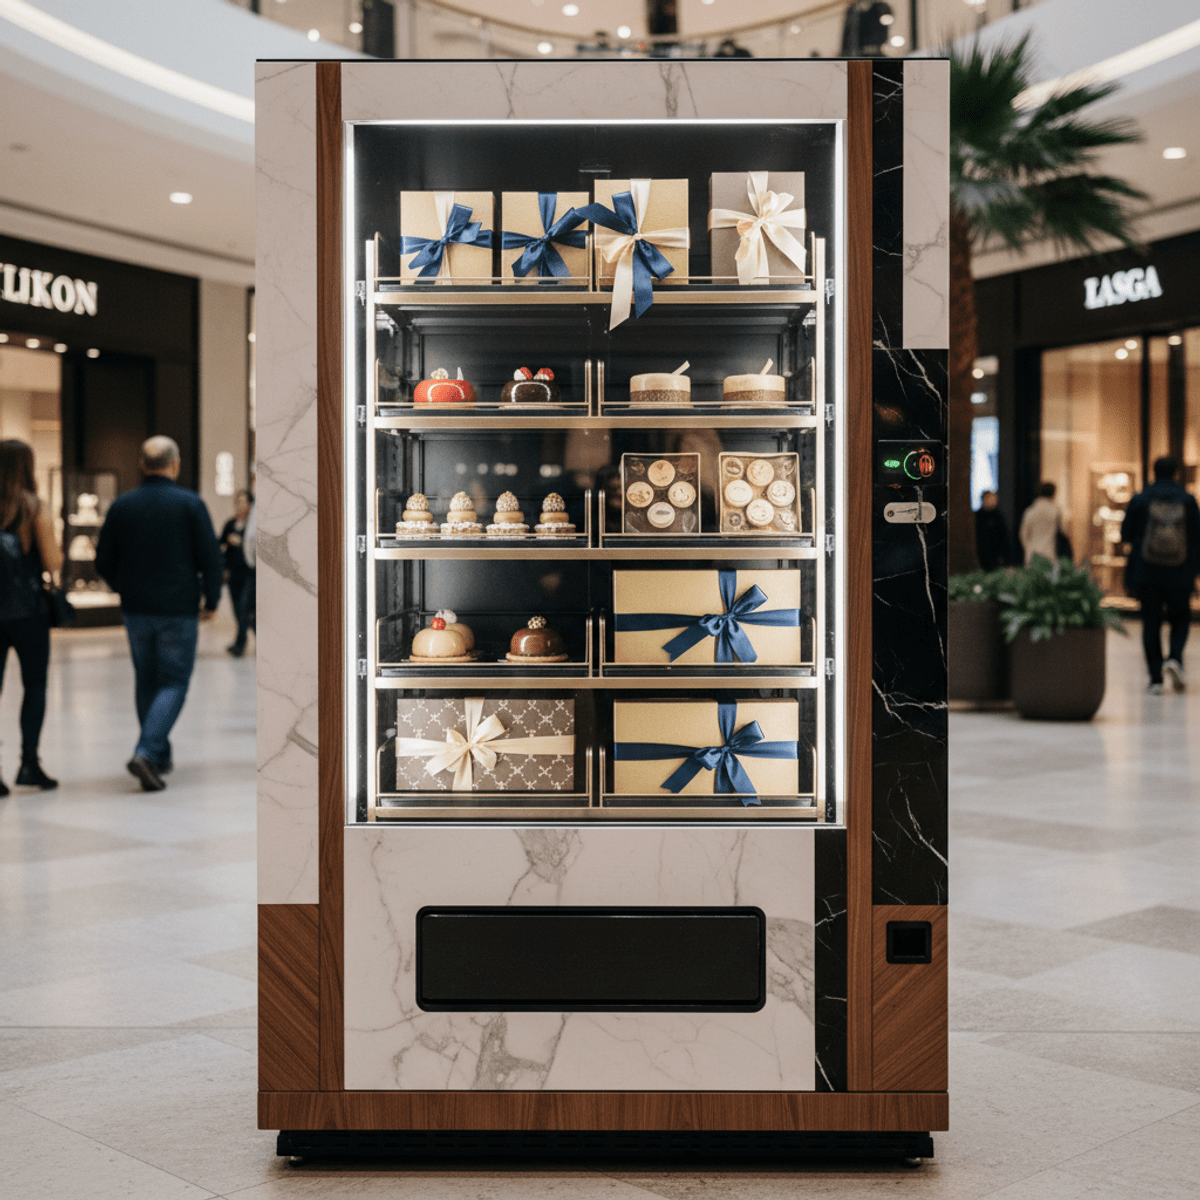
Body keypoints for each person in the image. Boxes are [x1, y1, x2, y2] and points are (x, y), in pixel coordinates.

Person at [95, 436, 223, 791]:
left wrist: (124, 586)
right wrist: (211, 600)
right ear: (175, 464)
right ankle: (148, 751)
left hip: (136, 609)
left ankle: (158, 755)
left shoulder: (122, 506)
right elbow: (210, 558)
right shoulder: (190, 505)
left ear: (141, 463)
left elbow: (103, 559)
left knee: (146, 679)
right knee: (175, 681)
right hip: (178, 609)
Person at [0, 439, 63, 792]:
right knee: (34, 684)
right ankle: (28, 764)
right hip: (28, 612)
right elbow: (53, 562)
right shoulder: (34, 506)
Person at [1120, 456, 1200, 694]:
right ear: (1176, 472)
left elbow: (1126, 534)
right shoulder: (1187, 500)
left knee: (1151, 623)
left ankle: (1155, 678)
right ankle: (1174, 657)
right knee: (1180, 619)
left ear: (1153, 472)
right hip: (1180, 572)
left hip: (1147, 573)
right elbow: (1196, 538)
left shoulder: (1140, 499)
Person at [219, 490, 255, 657]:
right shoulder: (230, 524)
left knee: (244, 608)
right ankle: (253, 639)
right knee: (238, 610)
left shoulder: (253, 526)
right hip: (233, 574)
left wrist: (241, 543)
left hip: (250, 573)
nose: (240, 506)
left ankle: (240, 643)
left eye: (244, 502)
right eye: (238, 502)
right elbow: (221, 546)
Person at [1019, 481, 1063, 564]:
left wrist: (1028, 547)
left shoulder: (1031, 511)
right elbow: (1061, 530)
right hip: (1049, 552)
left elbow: (1023, 534)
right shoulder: (1056, 511)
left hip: (1032, 553)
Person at [974, 490, 1012, 570]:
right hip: (981, 555)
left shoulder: (998, 516)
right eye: (989, 498)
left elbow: (1003, 537)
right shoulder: (978, 516)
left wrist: (1005, 557)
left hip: (996, 557)